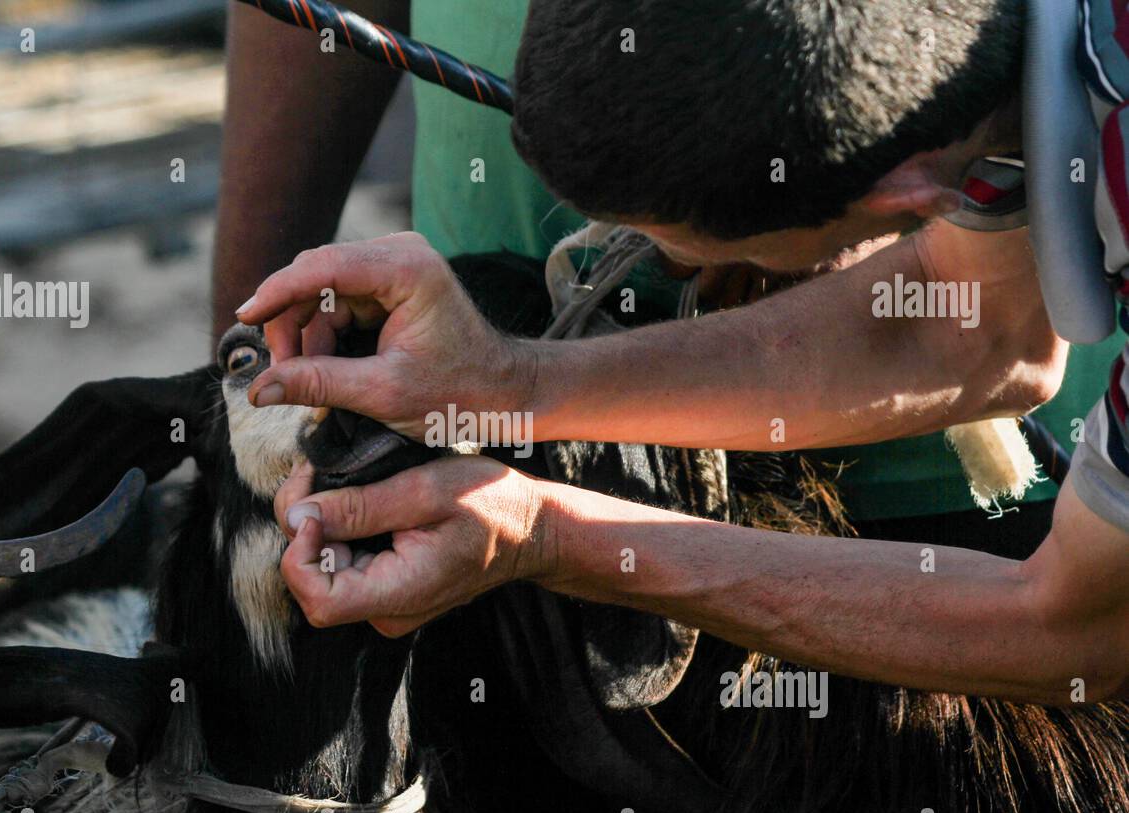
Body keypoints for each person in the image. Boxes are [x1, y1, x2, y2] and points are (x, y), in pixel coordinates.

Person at [232, 0, 1129, 705]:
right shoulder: (965, 64)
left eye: (699, 261)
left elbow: (1080, 629)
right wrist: (509, 380)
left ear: (908, 204)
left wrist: (546, 533)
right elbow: (966, 324)